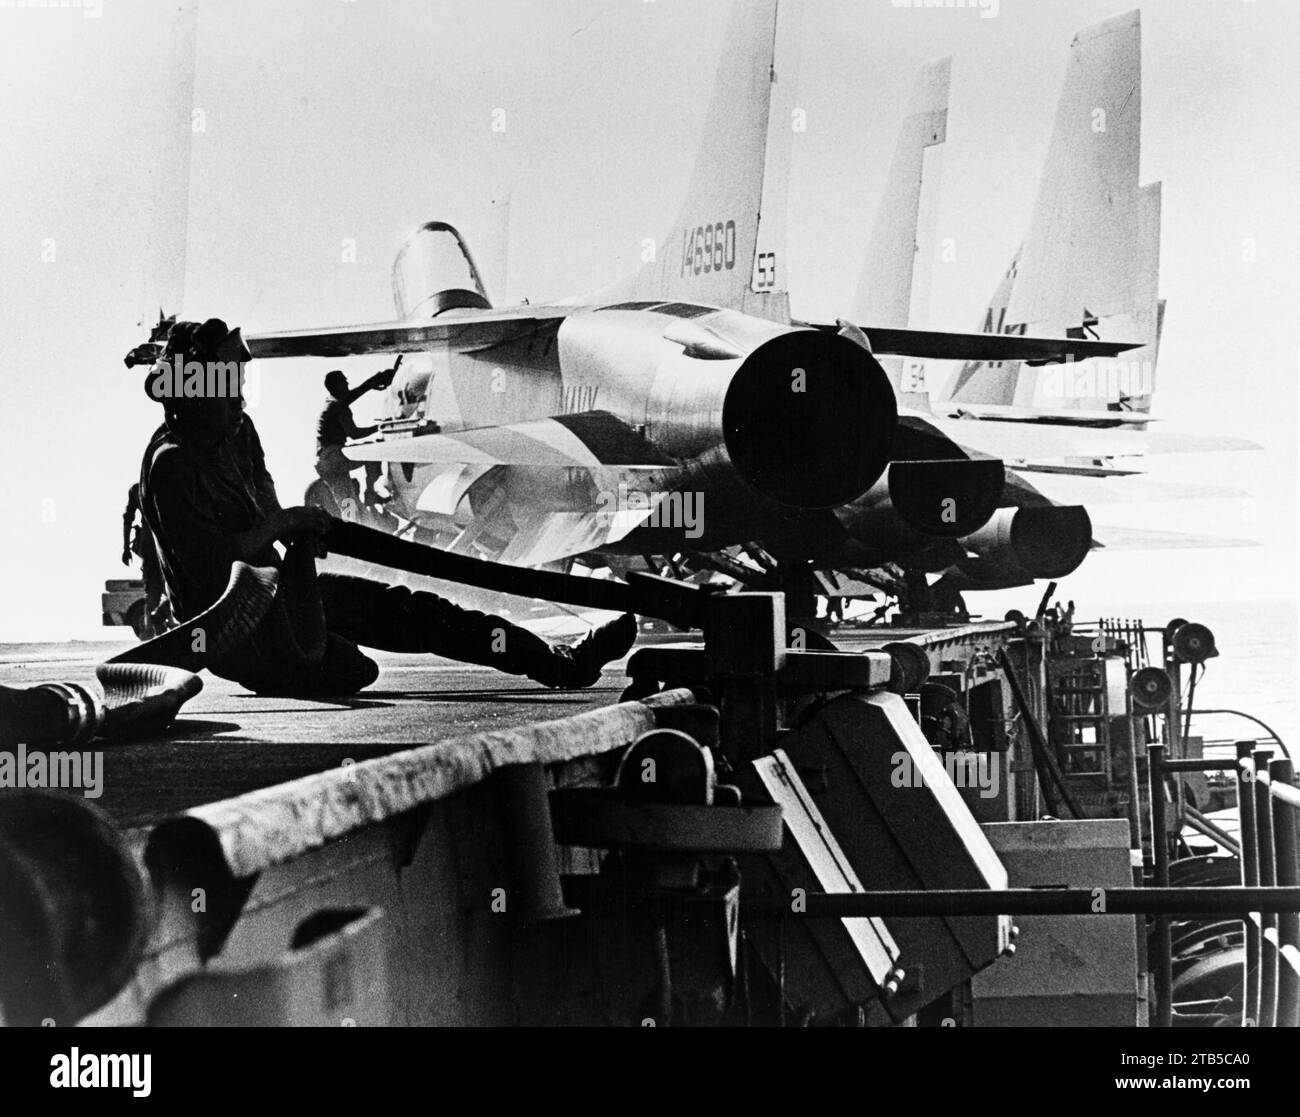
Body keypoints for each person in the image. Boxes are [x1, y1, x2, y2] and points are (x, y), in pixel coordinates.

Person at [138, 318, 636, 696]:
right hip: (240, 635)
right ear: (195, 389)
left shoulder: (237, 433)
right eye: (226, 384)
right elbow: (213, 568)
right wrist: (285, 523)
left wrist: (294, 530)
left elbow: (264, 495)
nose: (239, 399)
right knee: (352, 668)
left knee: (423, 613)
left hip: (286, 599)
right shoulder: (172, 466)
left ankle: (563, 663)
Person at [316, 366, 394, 508]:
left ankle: (350, 525)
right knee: (373, 451)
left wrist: (372, 383)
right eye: (343, 381)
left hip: (324, 463)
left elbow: (352, 395)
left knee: (347, 502)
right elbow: (354, 434)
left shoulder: (331, 402)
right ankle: (371, 493)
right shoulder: (337, 405)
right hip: (333, 456)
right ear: (334, 386)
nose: (347, 384)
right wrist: (380, 427)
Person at [121, 482, 170, 636]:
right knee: (168, 584)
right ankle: (158, 623)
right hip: (165, 538)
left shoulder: (137, 489)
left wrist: (126, 548)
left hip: (149, 541)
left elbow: (127, 520)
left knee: (152, 589)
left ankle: (150, 628)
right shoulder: (164, 485)